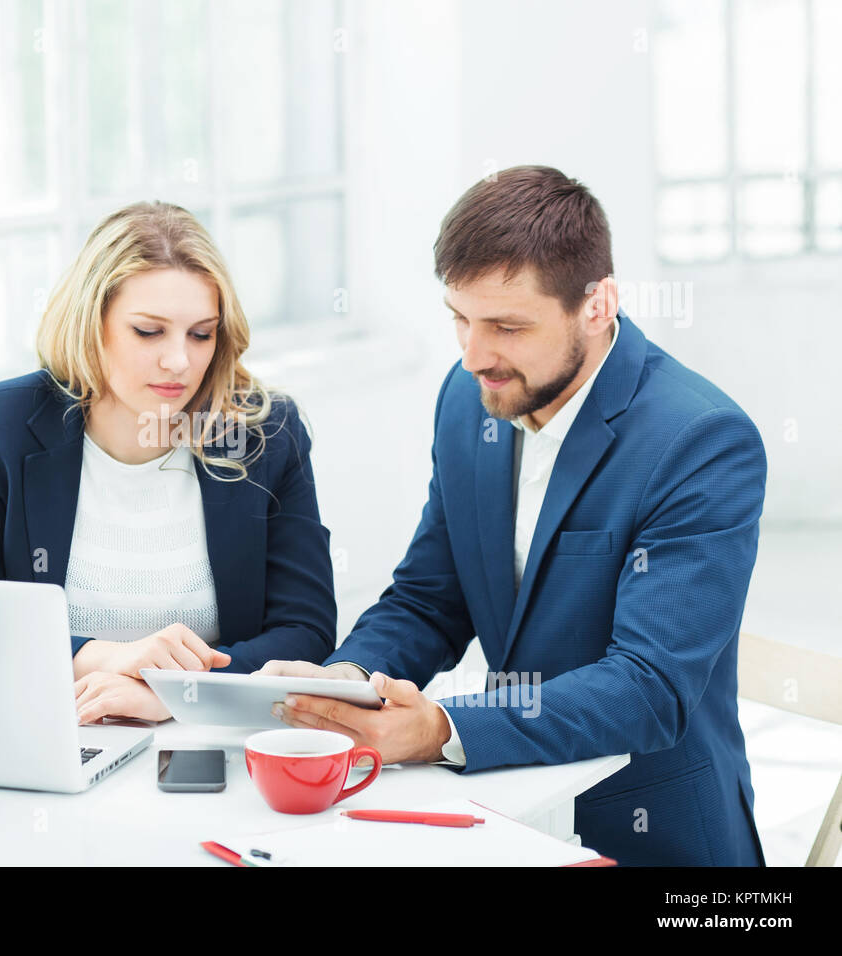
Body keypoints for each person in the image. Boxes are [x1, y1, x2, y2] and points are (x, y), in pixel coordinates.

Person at [261, 166, 767, 867]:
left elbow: (648, 689)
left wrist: (441, 728)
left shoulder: (702, 441)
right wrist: (347, 680)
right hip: (502, 819)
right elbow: (430, 600)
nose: (473, 355)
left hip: (653, 837)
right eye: (459, 319)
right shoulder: (472, 398)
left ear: (597, 306)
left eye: (506, 326)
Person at [0, 200, 337, 724]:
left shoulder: (264, 434)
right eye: (148, 332)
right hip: (53, 729)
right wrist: (102, 656)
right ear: (90, 326)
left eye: (201, 333)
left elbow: (306, 629)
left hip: (206, 735)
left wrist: (180, 693)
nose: (179, 362)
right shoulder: (3, 421)